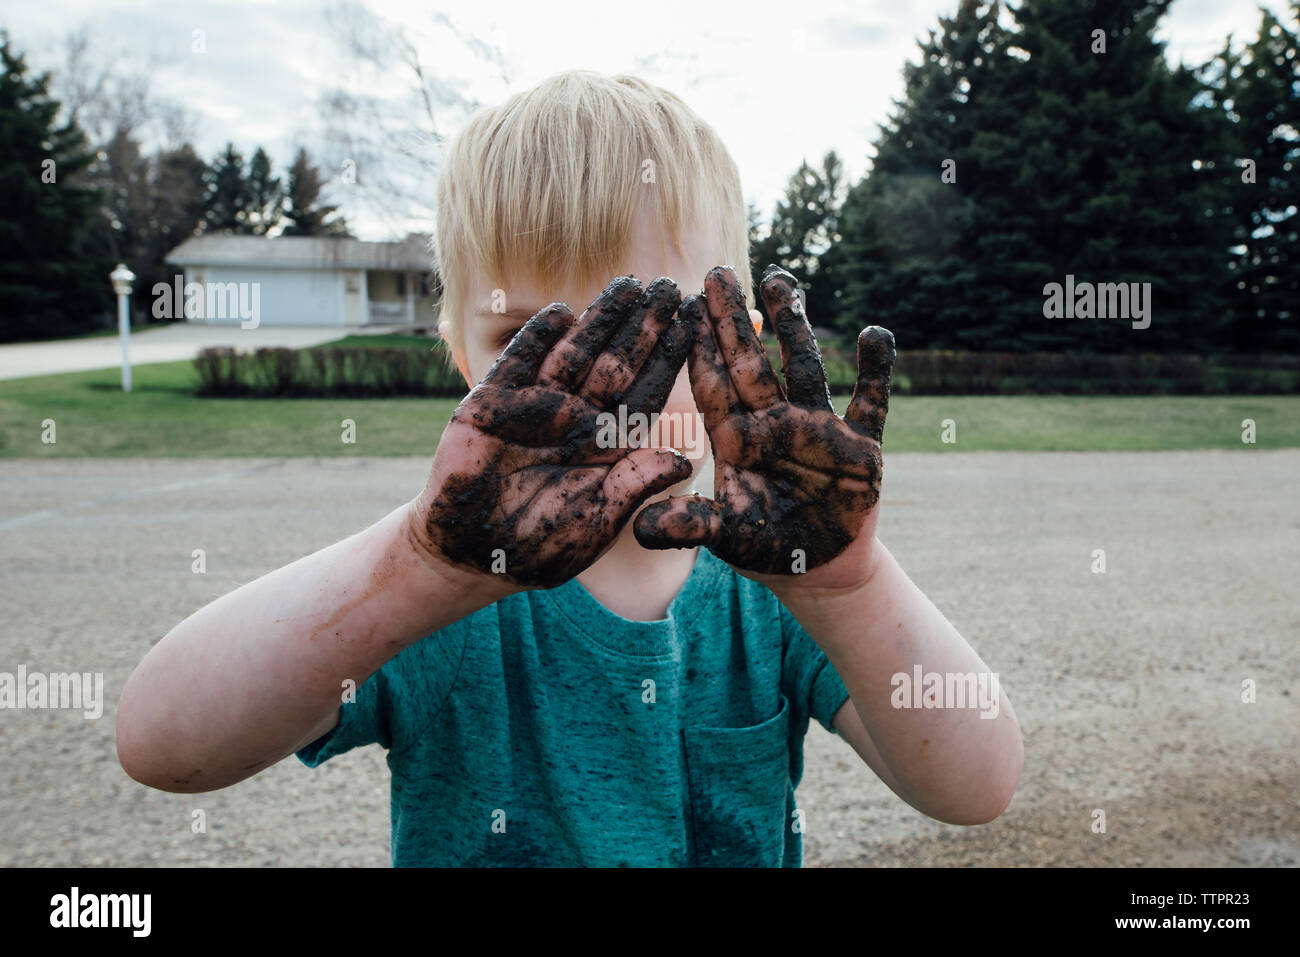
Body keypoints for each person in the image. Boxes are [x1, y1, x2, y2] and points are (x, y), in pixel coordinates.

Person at [117, 70, 1023, 866]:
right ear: (466, 366)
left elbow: (975, 786)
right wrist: (418, 569)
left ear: (738, 344)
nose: (607, 386)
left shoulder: (770, 588)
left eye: (658, 329)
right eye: (531, 339)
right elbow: (163, 742)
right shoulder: (442, 593)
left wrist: (848, 586)